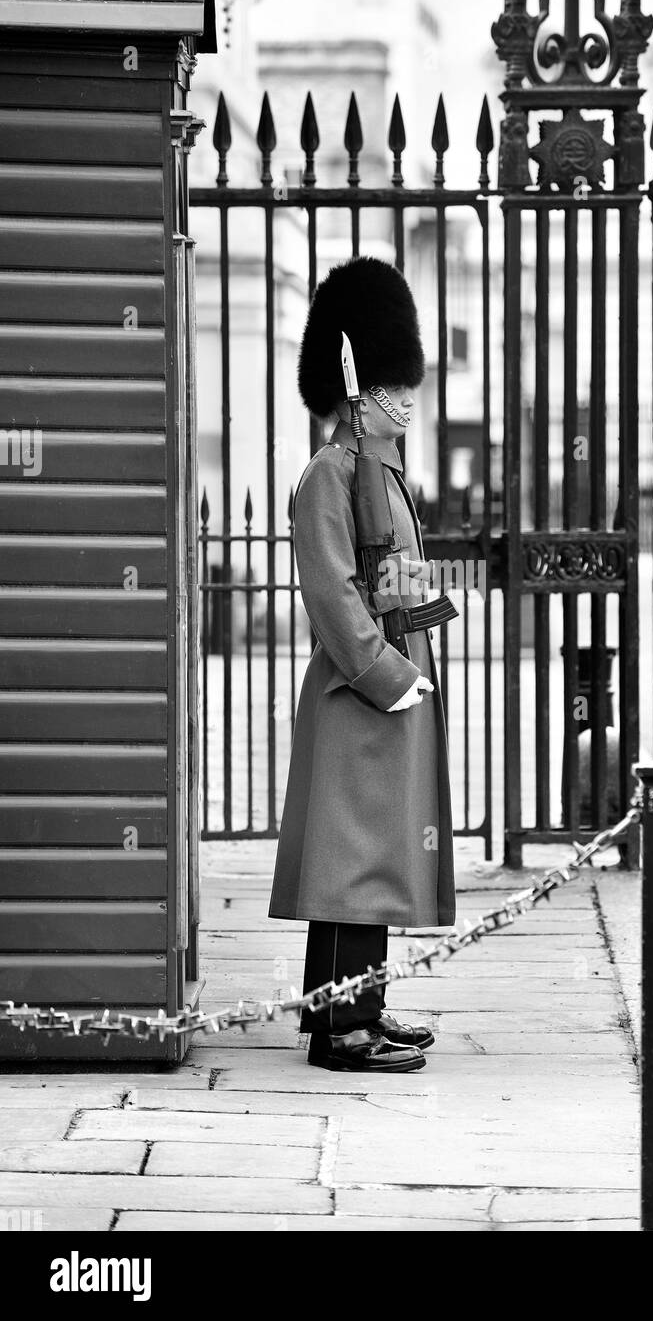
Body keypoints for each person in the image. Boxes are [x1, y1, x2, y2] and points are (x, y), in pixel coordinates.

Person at [268, 256, 456, 1072]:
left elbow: (390, 583)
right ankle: (345, 1033)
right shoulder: (329, 474)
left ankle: (353, 1010)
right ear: (357, 390)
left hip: (392, 683)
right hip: (358, 696)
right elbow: (334, 597)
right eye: (393, 387)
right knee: (352, 866)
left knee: (370, 863)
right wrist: (389, 676)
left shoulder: (378, 471)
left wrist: (428, 630)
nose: (408, 400)